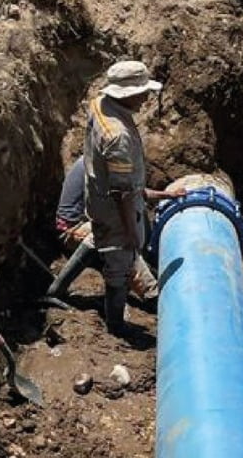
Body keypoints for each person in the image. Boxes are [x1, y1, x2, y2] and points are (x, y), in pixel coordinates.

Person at [84, 60, 184, 337]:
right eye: (143, 92)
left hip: (101, 197)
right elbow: (122, 193)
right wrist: (130, 234)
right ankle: (116, 325)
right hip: (114, 211)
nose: (147, 97)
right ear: (127, 94)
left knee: (121, 255)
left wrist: (162, 195)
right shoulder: (119, 137)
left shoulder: (99, 105)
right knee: (120, 266)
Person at [46, 156, 158, 302]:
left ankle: (146, 261)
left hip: (88, 223)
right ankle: (152, 294)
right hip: (71, 230)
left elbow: (136, 193)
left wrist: (168, 195)